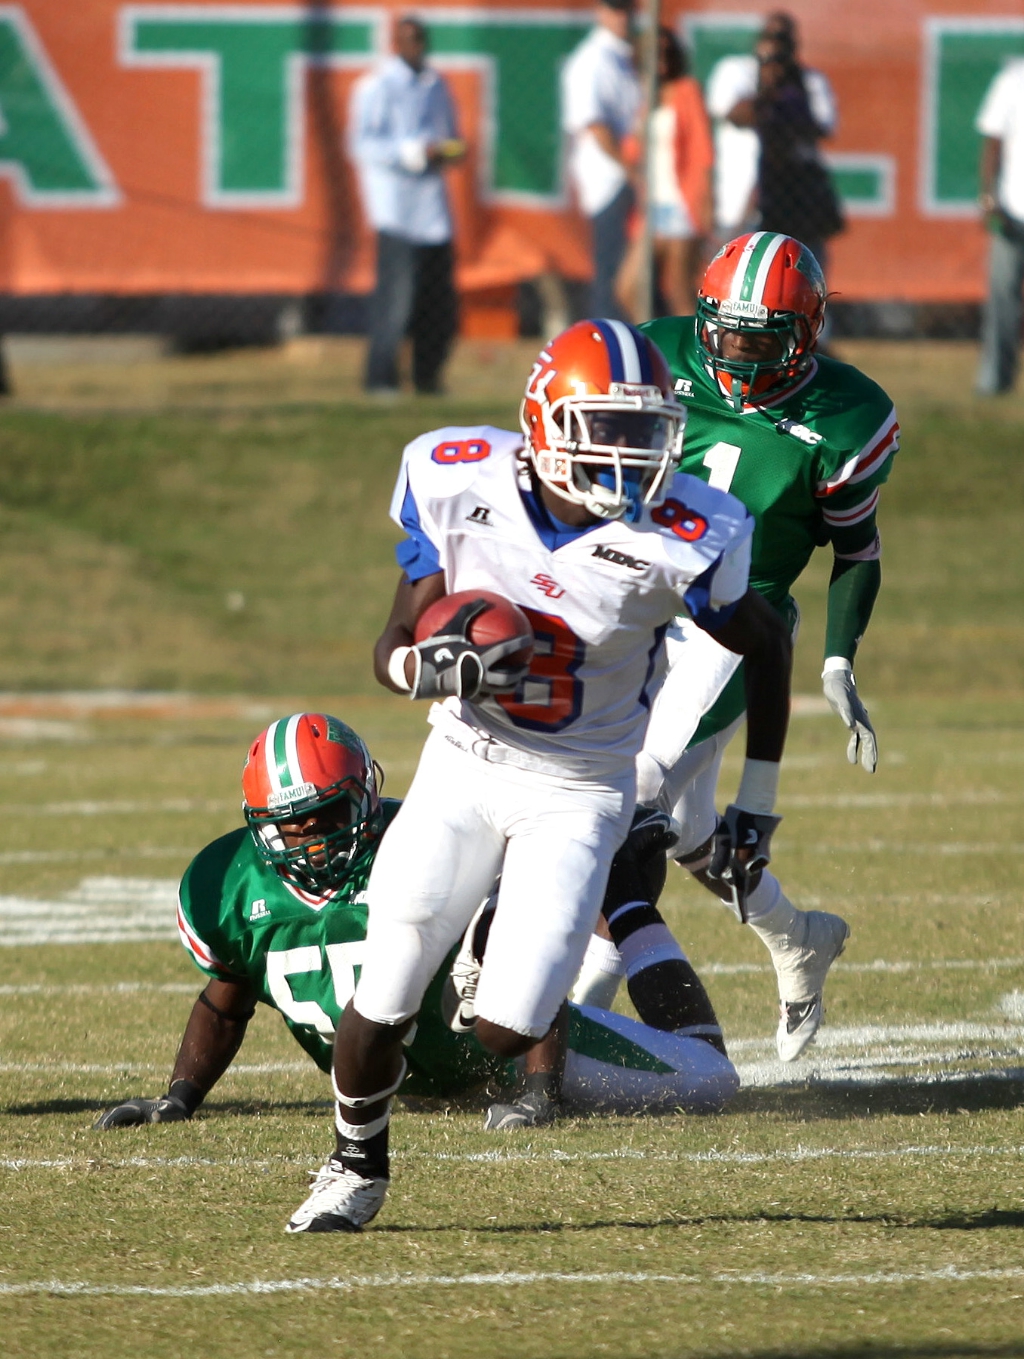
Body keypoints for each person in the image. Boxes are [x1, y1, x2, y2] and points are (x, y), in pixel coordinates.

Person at [286, 317, 794, 1233]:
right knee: (384, 991)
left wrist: (757, 796)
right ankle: (353, 1165)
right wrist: (430, 669)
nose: (632, 456)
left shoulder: (691, 531)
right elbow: (393, 643)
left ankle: (481, 941)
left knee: (508, 1030)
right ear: (546, 420)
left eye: (648, 433)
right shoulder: (456, 474)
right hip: (464, 760)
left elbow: (766, 641)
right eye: (607, 429)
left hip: (581, 786)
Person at [93, 714, 740, 1135]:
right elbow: (224, 999)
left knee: (712, 1080)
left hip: (508, 1048)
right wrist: (179, 1097)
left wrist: (540, 1090)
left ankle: (626, 893)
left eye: (325, 816)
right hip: (425, 1079)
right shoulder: (233, 884)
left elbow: (519, 942)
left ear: (365, 796)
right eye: (291, 825)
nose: (310, 840)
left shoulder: (423, 840)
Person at [573, 234, 898, 1063]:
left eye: (764, 341)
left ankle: (574, 1012)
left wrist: (835, 659)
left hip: (732, 626)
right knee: (685, 831)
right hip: (635, 603)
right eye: (729, 334)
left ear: (807, 333)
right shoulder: (656, 351)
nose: (741, 356)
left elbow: (855, 549)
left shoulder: (848, 418)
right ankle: (795, 936)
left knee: (626, 801)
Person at [348, 17, 464, 395]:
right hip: (395, 207)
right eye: (408, 40)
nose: (417, 47)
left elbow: (448, 133)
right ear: (395, 44)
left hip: (433, 206)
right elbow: (363, 144)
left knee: (437, 300)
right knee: (396, 300)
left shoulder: (436, 84)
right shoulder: (376, 86)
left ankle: (428, 378)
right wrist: (412, 152)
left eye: (421, 39)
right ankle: (380, 379)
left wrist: (447, 150)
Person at [704, 12, 836, 242]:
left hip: (795, 199)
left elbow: (823, 126)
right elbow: (733, 114)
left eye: (783, 40)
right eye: (771, 37)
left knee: (798, 267)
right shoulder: (737, 71)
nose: (777, 46)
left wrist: (790, 101)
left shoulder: (808, 81)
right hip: (742, 195)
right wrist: (768, 88)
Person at [616, 28, 713, 319]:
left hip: (682, 205)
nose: (662, 61)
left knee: (679, 291)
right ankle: (654, 348)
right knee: (629, 287)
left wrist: (705, 201)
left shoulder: (686, 91)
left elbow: (701, 149)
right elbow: (633, 152)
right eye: (654, 54)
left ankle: (696, 358)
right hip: (653, 207)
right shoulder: (648, 99)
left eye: (667, 53)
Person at [561, 0, 641, 317]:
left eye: (627, 8)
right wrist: (631, 168)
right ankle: (609, 352)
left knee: (630, 273)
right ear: (600, 11)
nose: (623, 16)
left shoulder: (626, 57)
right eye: (615, 8)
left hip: (630, 177)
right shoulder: (591, 60)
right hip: (610, 180)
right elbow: (595, 124)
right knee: (612, 273)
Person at [975, 56, 1024, 396]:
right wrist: (989, 196)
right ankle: (995, 380)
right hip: (1015, 206)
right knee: (1004, 297)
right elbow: (993, 141)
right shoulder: (1014, 79)